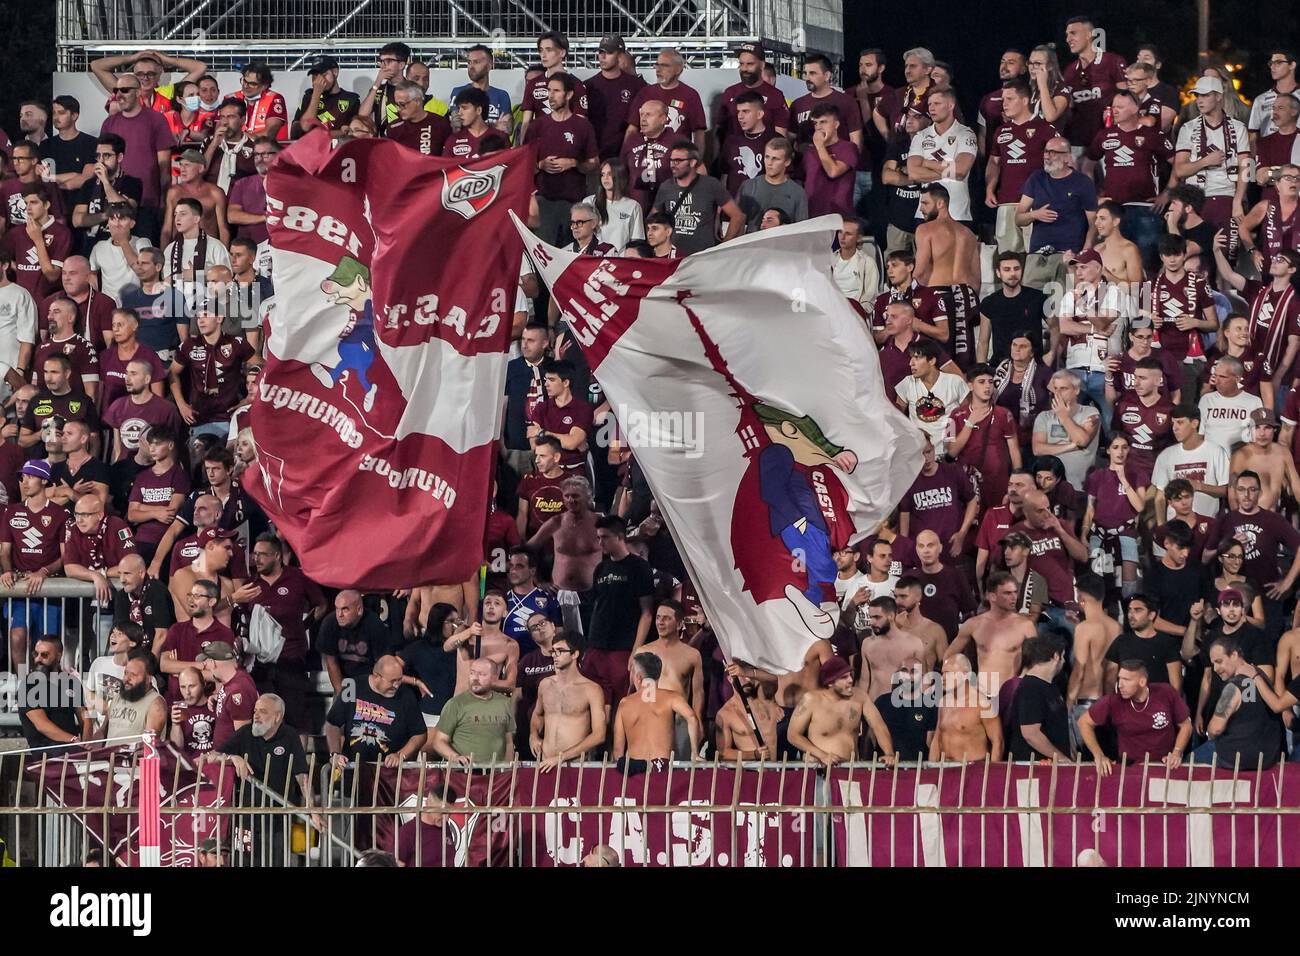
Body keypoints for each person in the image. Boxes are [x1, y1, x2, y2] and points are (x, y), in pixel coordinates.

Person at [1205, 470, 1300, 643]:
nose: (1246, 495)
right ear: (1235, 492)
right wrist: (1228, 543)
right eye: (1241, 489)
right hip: (1232, 598)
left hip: (1267, 596)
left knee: (1267, 648)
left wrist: (1287, 582)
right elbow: (1205, 557)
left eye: (1252, 490)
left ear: (1260, 492)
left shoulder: (1273, 520)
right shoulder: (1225, 520)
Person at [582, 515, 655, 708]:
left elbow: (647, 613)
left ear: (620, 537)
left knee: (622, 702)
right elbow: (597, 607)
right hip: (596, 645)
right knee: (593, 700)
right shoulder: (601, 568)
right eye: (598, 537)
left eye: (604, 537)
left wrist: (636, 650)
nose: (600, 542)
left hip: (622, 646)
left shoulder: (639, 567)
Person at [1, 460, 68, 667]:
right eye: (23, 477)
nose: (25, 482)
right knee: (18, 635)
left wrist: (44, 571)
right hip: (21, 587)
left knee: (48, 644)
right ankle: (23, 685)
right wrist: (7, 571)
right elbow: (4, 549)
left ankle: (47, 687)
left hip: (49, 587)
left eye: (30, 476)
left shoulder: (60, 514)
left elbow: (67, 556)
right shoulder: (11, 512)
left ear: (44, 480)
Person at [524, 73, 598, 246]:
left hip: (573, 203)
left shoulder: (582, 126)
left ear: (569, 94)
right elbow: (523, 166)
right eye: (549, 90)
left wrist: (574, 163)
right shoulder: (537, 127)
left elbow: (594, 163)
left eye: (556, 91)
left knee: (569, 258)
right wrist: (540, 165)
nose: (551, 96)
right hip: (543, 203)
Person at [1078, 661, 1192, 773]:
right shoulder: (1113, 701)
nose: (1120, 685)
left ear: (1142, 682)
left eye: (1126, 680)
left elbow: (1186, 725)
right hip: (1128, 769)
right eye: (1119, 679)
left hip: (1164, 767)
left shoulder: (1165, 693)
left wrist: (1177, 752)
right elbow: (1084, 722)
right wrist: (1098, 755)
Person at [985, 78, 1056, 254]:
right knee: (1007, 256)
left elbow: (1060, 163)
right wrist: (990, 188)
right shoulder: (1001, 131)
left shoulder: (1045, 128)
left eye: (1010, 99)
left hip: (1036, 204)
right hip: (1007, 202)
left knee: (1036, 257)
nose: (1004, 104)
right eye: (1003, 100)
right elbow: (994, 162)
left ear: (1025, 101)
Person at [1191, 636, 1283, 770]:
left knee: (1187, 762)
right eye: (1213, 664)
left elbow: (1215, 729)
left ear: (1234, 655)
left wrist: (1208, 733)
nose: (1215, 668)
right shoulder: (1260, 674)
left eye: (1219, 661)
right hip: (1268, 757)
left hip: (1237, 757)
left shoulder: (1232, 688)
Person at [1174, 76, 1251, 233]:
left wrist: (1238, 201)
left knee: (1226, 253)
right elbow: (1179, 170)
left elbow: (1247, 168)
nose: (1199, 101)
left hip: (1227, 197)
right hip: (1196, 198)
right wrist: (1205, 161)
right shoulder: (1187, 128)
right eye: (1198, 96)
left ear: (1218, 97)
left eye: (1205, 95)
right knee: (1198, 253)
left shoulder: (1238, 127)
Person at [914, 185, 981, 366]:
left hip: (937, 296)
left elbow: (919, 271)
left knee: (937, 359)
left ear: (941, 203)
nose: (921, 209)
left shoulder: (925, 229)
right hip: (965, 295)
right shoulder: (968, 234)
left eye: (925, 203)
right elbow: (976, 279)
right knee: (963, 359)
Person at [94, 73, 174, 221]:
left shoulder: (156, 120)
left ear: (138, 92)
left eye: (124, 90)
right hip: (115, 202)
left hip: (148, 203)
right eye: (116, 91)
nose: (119, 95)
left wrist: (164, 202)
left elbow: (164, 166)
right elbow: (101, 162)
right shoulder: (109, 123)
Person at [787, 656, 893, 767]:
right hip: (820, 770)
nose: (851, 680)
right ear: (830, 682)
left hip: (851, 770)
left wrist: (889, 753)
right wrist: (822, 755)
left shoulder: (860, 697)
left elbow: (878, 726)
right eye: (844, 677)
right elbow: (793, 735)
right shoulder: (811, 700)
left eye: (850, 675)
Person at [948, 572, 1038, 698]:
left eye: (1015, 592)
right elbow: (949, 656)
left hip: (1011, 695)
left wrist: (1022, 684)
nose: (1014, 597)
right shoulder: (974, 624)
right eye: (1007, 593)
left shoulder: (1025, 626)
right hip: (981, 694)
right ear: (992, 597)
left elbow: (1037, 663)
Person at [326, 655, 427, 767]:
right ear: (377, 676)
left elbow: (420, 734)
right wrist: (335, 754)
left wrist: (401, 755)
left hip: (389, 772)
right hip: (353, 767)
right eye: (392, 681)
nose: (396, 685)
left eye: (399, 680)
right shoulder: (352, 686)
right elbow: (332, 723)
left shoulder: (407, 695)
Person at [169, 308, 253, 441]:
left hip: (230, 418)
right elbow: (172, 372)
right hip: (199, 419)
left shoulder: (236, 343)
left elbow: (259, 368)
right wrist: (181, 404)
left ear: (219, 318)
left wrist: (250, 398)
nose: (200, 320)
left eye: (206, 315)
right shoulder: (189, 345)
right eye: (198, 316)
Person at [1016, 135, 1098, 269]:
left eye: (1053, 153)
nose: (1047, 156)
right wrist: (1034, 215)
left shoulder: (1083, 183)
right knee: (1032, 290)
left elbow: (1093, 223)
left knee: (1067, 290)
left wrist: (1084, 253)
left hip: (1069, 255)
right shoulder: (1036, 179)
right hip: (1038, 255)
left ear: (1067, 157)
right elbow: (1018, 218)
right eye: (1046, 152)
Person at [636, 599, 705, 754]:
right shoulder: (643, 652)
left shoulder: (692, 655)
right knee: (652, 768)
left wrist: (698, 721)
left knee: (682, 770)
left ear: (680, 624)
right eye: (658, 617)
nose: (660, 622)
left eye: (667, 618)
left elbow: (698, 693)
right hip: (651, 716)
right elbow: (635, 691)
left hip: (681, 719)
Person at [613, 652, 701, 771]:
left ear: (638, 677)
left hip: (634, 772)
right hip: (661, 770)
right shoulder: (671, 698)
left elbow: (618, 750)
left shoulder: (624, 704)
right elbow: (692, 718)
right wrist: (694, 753)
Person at [1083, 433, 1148, 595]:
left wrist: (1123, 479)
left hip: (1126, 532)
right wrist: (1083, 534)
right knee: (1097, 584)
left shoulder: (1137, 474)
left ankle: (1128, 614)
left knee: (1129, 587)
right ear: (1108, 451)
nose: (1120, 452)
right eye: (1116, 447)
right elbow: (1090, 509)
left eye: (1125, 447)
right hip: (1099, 532)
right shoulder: (1096, 476)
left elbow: (1140, 506)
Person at [529, 634, 606, 769]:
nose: (554, 655)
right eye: (553, 651)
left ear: (575, 654)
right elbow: (538, 714)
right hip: (545, 763)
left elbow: (599, 735)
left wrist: (562, 757)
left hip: (574, 765)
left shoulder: (591, 689)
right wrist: (534, 735)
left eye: (560, 651)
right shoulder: (545, 685)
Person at [653, 141, 743, 256]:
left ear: (692, 162)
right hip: (672, 256)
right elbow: (654, 219)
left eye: (678, 161)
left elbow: (737, 216)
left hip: (702, 257)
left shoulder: (711, 185)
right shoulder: (666, 186)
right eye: (671, 160)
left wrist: (723, 247)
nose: (673, 164)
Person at [905, 89, 977, 222]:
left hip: (957, 212)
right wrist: (950, 170)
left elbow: (961, 171)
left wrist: (926, 163)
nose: (932, 108)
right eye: (930, 104)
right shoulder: (920, 136)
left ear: (950, 106)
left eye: (937, 104)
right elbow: (913, 173)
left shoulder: (965, 133)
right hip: (925, 214)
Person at [157, 575, 235, 696]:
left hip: (207, 705)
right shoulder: (176, 629)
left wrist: (179, 670)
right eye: (190, 595)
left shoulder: (224, 634)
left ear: (212, 601)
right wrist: (201, 666)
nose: (190, 600)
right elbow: (164, 665)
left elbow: (221, 674)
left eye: (197, 596)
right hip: (176, 703)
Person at [1150, 405, 1230, 522]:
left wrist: (1199, 486)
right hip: (1175, 528)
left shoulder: (1216, 451)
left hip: (1206, 526)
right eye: (1173, 423)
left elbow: (1226, 490)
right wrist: (1162, 527)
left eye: (1180, 422)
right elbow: (1160, 497)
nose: (1174, 428)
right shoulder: (1166, 455)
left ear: (1194, 423)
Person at [895, 338, 969, 452]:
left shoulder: (954, 382)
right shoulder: (907, 383)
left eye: (917, 358)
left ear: (931, 361)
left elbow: (967, 414)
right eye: (911, 358)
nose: (911, 363)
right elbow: (898, 415)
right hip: (920, 452)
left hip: (949, 453)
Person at [1007, 633, 1071, 761]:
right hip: (1034, 768)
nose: (1064, 661)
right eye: (1063, 656)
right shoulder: (1031, 688)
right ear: (1056, 656)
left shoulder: (1051, 686)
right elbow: (1031, 733)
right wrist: (1062, 759)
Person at [1032, 369, 1101, 488]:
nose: (1057, 393)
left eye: (1063, 388)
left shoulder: (1090, 413)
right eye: (1055, 389)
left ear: (1076, 390)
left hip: (1078, 488)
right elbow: (1038, 449)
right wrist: (1072, 446)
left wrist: (1064, 417)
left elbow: (1082, 441)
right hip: (1048, 488)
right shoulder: (1044, 417)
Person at [3, 185, 72, 301]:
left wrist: (38, 240)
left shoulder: (62, 233)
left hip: (48, 301)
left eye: (34, 203)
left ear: (46, 205)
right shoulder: (16, 232)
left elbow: (52, 275)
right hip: (21, 301)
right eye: (26, 203)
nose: (28, 208)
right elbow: (4, 257)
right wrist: (16, 267)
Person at [317, 589, 391, 696]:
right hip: (343, 679)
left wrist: (375, 692)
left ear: (359, 610)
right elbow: (331, 663)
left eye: (345, 609)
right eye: (337, 609)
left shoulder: (374, 625)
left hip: (369, 680)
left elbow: (381, 664)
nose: (339, 614)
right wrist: (341, 693)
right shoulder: (330, 623)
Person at [929, 654, 1002, 762]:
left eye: (948, 673)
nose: (942, 678)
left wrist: (993, 773)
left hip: (974, 771)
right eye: (942, 673)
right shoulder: (943, 702)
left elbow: (998, 741)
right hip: (945, 769)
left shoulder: (982, 704)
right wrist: (932, 768)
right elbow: (937, 738)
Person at [715, 42, 789, 147]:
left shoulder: (775, 95)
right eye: (741, 64)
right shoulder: (730, 93)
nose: (744, 69)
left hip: (764, 157)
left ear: (762, 65)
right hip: (732, 157)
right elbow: (719, 132)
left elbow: (781, 135)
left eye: (750, 64)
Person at [18, 636, 83, 749]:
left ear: (58, 656)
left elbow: (84, 717)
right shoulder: (28, 685)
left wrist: (87, 744)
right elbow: (42, 725)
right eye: (36, 654)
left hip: (73, 748)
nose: (38, 659)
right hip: (45, 751)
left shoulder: (71, 682)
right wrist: (74, 740)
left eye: (44, 655)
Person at [1231, 410, 1300, 512]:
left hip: (1274, 519)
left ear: (1275, 430)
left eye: (1267, 428)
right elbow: (1232, 495)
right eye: (1257, 428)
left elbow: (1296, 486)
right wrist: (1239, 522)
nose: (1262, 433)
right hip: (1249, 519)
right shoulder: (1241, 456)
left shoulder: (1283, 453)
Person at [802, 103, 859, 219]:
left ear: (836, 124)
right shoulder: (809, 152)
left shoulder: (848, 148)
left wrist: (819, 145)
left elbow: (833, 172)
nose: (818, 127)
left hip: (839, 215)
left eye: (823, 122)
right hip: (812, 215)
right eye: (815, 123)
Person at [620, 99, 675, 212]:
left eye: (648, 115)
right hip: (635, 207)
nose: (643, 119)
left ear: (663, 119)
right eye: (641, 114)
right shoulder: (632, 140)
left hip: (666, 209)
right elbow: (621, 171)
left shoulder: (676, 141)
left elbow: (698, 171)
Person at [719, 90, 775, 196]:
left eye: (745, 111)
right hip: (734, 205)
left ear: (759, 114)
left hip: (763, 205)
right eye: (738, 112)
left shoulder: (774, 140)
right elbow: (725, 174)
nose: (740, 116)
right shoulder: (731, 141)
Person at [113, 553, 173, 651]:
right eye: (120, 573)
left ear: (141, 574)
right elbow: (121, 632)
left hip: (159, 653)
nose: (122, 580)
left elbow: (162, 635)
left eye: (127, 574)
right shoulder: (121, 596)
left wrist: (149, 664)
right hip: (133, 654)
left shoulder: (158, 591)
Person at [100, 653, 165, 741]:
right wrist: (90, 745)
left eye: (133, 675)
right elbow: (103, 730)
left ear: (148, 679)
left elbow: (149, 745)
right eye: (126, 673)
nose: (127, 679)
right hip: (108, 754)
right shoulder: (117, 698)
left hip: (134, 754)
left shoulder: (156, 704)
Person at [203, 97, 257, 196]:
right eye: (222, 117)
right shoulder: (209, 142)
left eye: (230, 117)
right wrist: (214, 144)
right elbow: (199, 171)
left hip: (240, 205)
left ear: (243, 120)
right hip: (210, 202)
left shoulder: (255, 146)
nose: (224, 122)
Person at [293, 55, 359, 137]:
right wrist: (316, 93)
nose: (319, 80)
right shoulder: (308, 96)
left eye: (323, 75)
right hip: (314, 147)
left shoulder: (351, 99)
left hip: (339, 148)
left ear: (335, 72)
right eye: (315, 76)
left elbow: (354, 132)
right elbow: (305, 127)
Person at [227, 139, 277, 246]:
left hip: (280, 246)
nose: (260, 159)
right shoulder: (242, 184)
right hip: (250, 248)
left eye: (265, 154)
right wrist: (265, 217)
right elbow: (232, 216)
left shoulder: (290, 183)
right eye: (256, 155)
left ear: (278, 156)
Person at [385, 81, 451, 156]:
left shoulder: (440, 123)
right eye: (396, 104)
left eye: (402, 104)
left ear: (417, 101)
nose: (398, 109)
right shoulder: (393, 128)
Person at [169, 665, 214, 759]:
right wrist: (175, 724)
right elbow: (177, 748)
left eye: (192, 686)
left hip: (213, 765)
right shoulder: (180, 709)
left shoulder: (214, 705)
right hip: (189, 767)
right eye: (183, 687)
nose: (187, 692)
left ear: (203, 683)